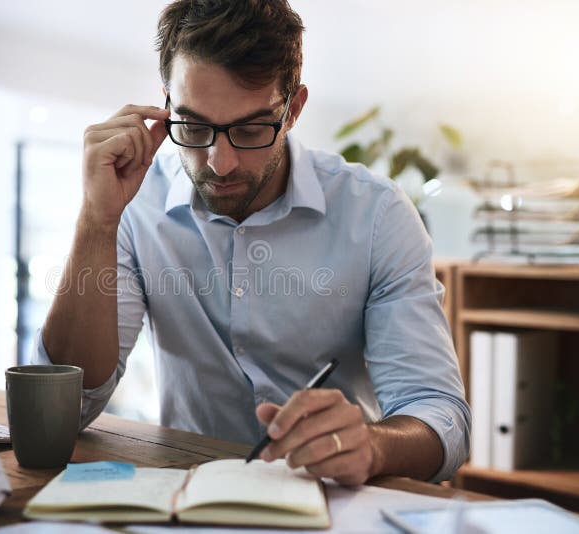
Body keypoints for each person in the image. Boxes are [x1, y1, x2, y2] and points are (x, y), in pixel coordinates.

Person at [35, 0, 470, 485]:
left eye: (249, 129)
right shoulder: (134, 201)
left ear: (293, 110)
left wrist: (374, 446)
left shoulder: (375, 215)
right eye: (194, 127)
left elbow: (441, 418)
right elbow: (64, 409)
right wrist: (97, 221)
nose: (219, 163)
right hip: (188, 495)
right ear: (166, 104)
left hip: (331, 500)